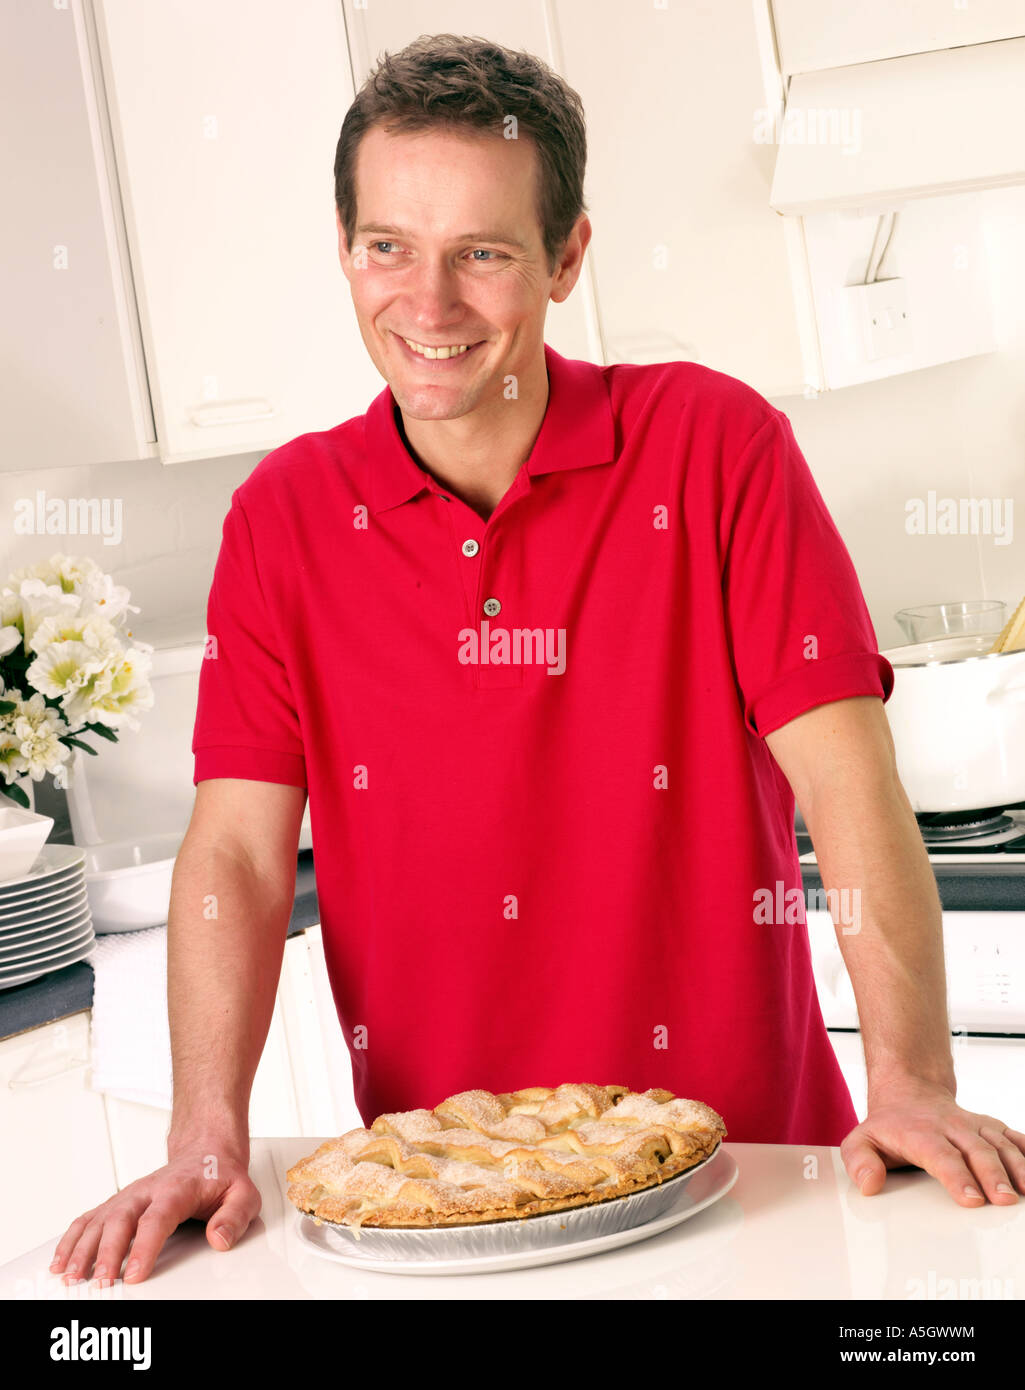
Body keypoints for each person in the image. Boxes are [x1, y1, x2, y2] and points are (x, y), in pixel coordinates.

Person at [51, 34, 1024, 1289]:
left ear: (566, 257)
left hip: (759, 1186)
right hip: (440, 1223)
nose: (428, 303)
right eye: (387, 246)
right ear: (344, 250)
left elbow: (847, 785)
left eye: (484, 253)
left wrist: (909, 1077)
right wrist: (201, 1138)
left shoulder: (711, 449)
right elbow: (235, 852)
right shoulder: (283, 521)